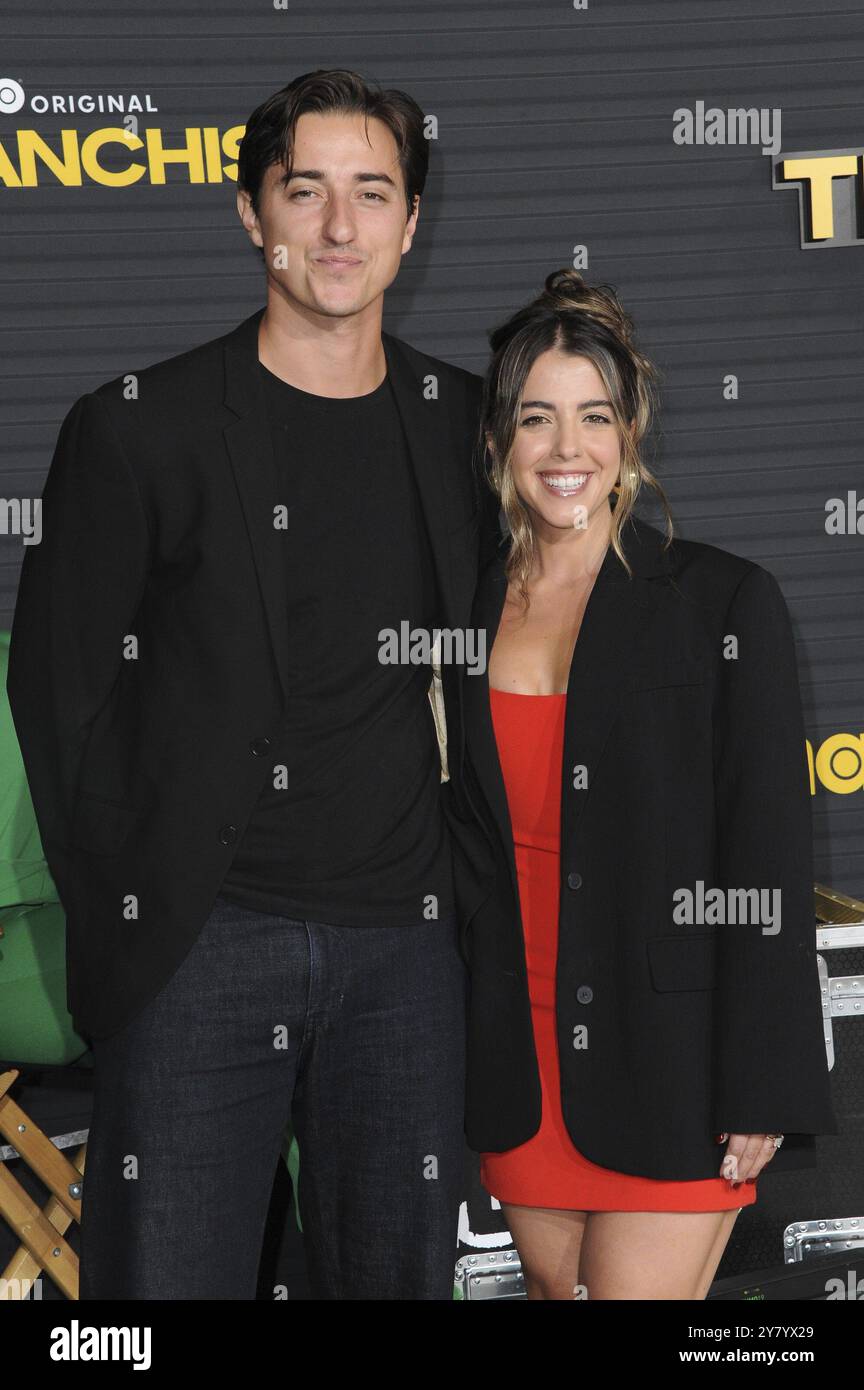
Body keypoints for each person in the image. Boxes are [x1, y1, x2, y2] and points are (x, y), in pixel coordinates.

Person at [6, 68, 498, 1300]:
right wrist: (145, 913)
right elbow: (58, 696)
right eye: (306, 190)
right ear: (248, 213)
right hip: (200, 950)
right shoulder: (138, 428)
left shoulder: (463, 427)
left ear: (411, 222)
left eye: (371, 193)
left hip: (405, 953)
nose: (339, 227)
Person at [443, 268, 838, 1300]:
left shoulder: (719, 601)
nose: (567, 451)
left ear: (630, 435)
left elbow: (765, 856)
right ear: (497, 442)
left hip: (675, 1066)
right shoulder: (461, 617)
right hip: (519, 1064)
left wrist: (763, 1080)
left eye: (595, 418)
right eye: (538, 420)